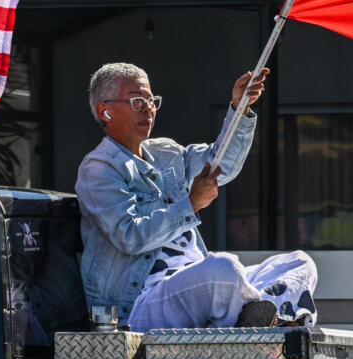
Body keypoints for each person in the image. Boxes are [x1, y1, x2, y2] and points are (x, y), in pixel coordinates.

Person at [76, 63, 318, 332]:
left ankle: (257, 317)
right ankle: (266, 319)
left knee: (298, 262)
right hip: (140, 303)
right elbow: (130, 236)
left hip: (193, 283)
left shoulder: (165, 152)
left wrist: (240, 108)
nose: (148, 108)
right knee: (223, 270)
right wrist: (190, 205)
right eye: (136, 101)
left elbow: (220, 164)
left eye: (151, 100)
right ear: (105, 111)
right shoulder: (99, 168)